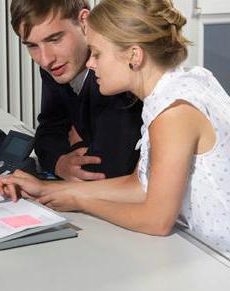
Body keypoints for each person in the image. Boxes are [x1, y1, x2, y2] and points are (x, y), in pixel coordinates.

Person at [0, 0, 230, 291]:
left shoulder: (174, 112)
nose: (90, 64)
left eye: (96, 53)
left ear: (134, 55)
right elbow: (141, 185)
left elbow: (156, 220)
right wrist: (51, 190)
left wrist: (79, 202)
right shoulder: (174, 89)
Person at [10, 0, 143, 181]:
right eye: (32, 45)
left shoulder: (117, 72)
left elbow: (107, 169)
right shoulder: (57, 65)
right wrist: (59, 162)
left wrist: (77, 143)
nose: (45, 59)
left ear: (84, 21)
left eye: (55, 39)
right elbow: (48, 132)